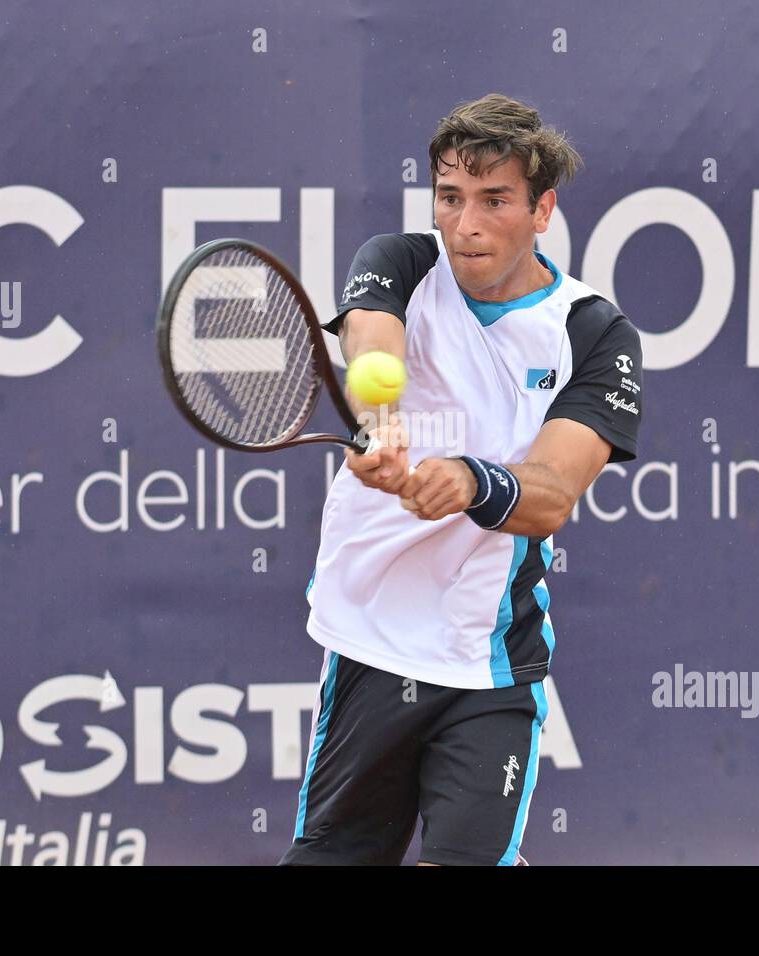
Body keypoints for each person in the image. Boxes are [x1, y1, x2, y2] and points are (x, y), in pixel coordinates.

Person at [280, 93, 644, 866]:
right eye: (451, 198)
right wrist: (381, 421)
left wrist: (473, 483)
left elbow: (550, 494)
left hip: (490, 662)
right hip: (371, 641)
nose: (466, 224)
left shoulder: (595, 333)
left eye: (495, 200)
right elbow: (373, 343)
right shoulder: (398, 263)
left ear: (542, 210)